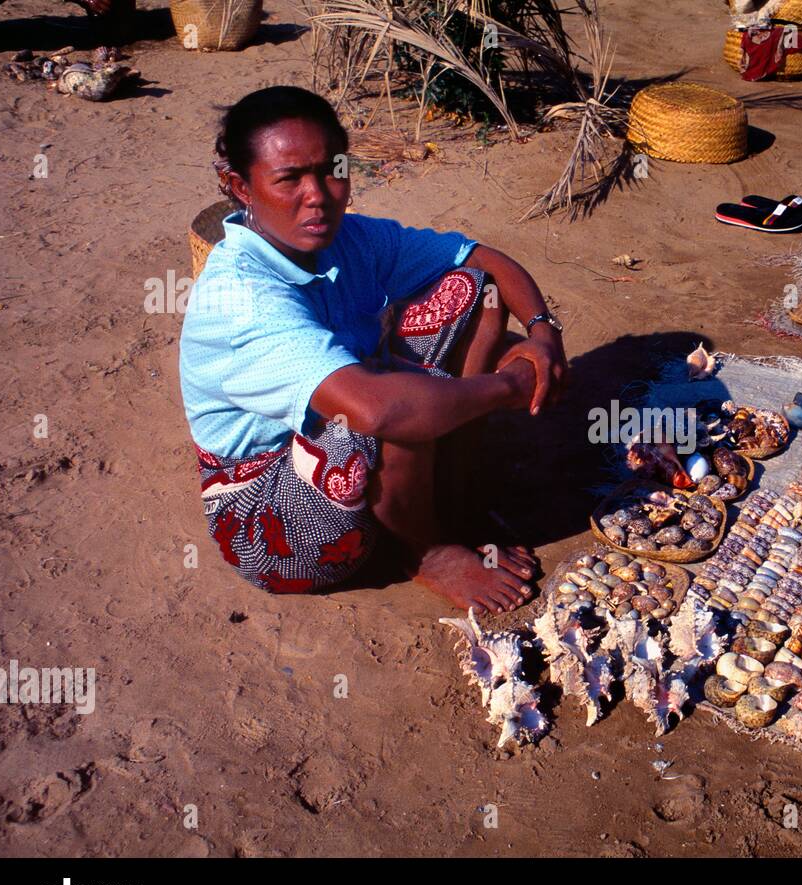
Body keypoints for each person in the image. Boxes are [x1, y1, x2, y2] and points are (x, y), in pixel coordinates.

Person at [180, 86, 568, 614]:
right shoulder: (242, 299)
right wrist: (506, 386)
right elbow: (378, 408)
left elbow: (480, 257)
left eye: (331, 170)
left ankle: (441, 498)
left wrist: (544, 333)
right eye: (289, 178)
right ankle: (427, 551)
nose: (318, 195)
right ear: (240, 186)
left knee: (473, 291)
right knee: (389, 412)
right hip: (266, 512)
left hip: (342, 421)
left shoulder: (349, 238)